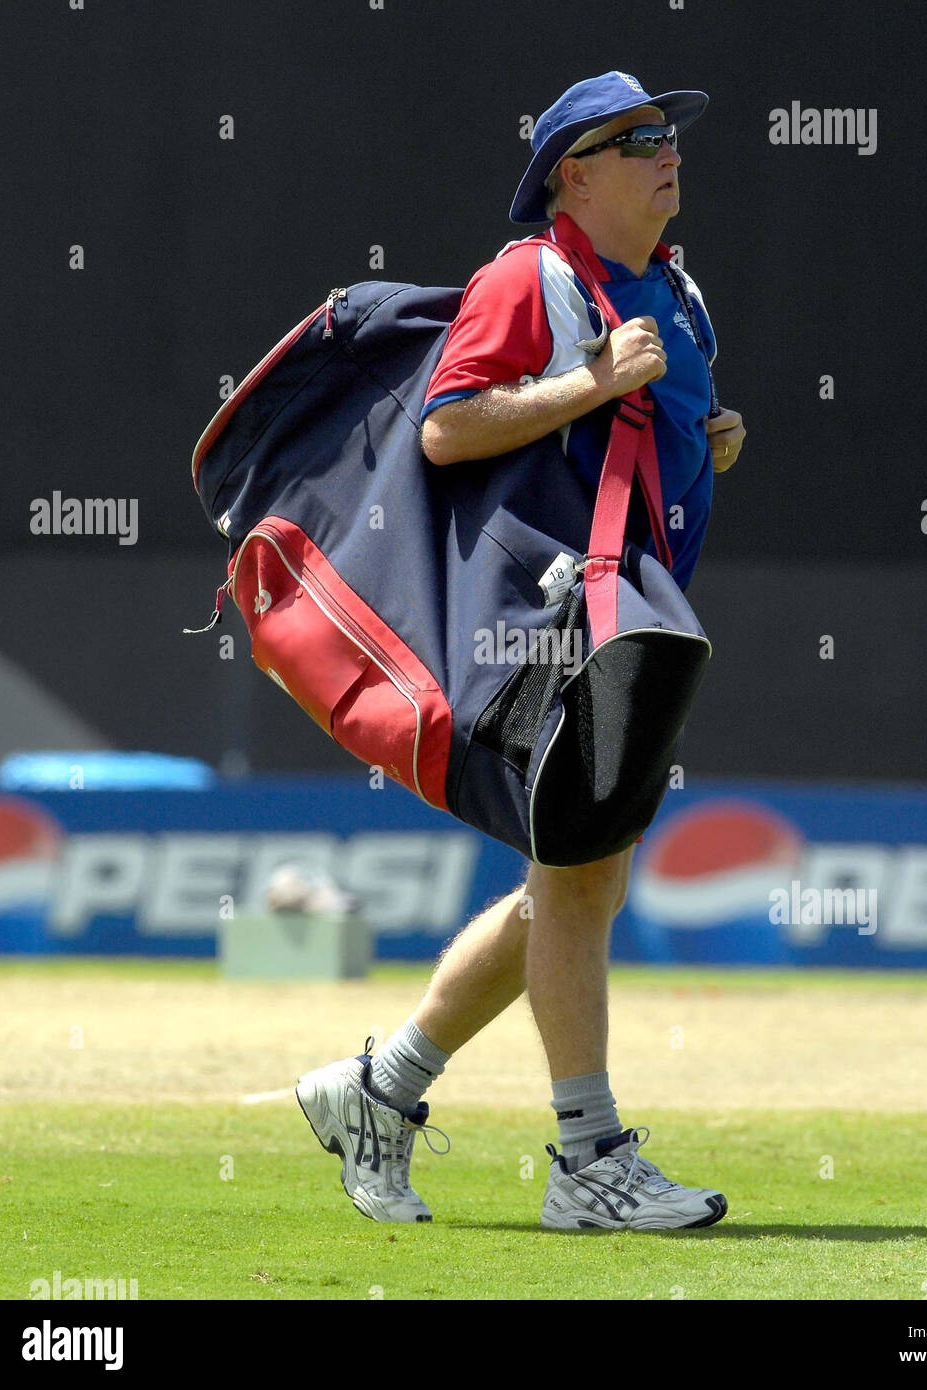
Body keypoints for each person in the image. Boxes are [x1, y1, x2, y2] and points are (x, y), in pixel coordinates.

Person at [296, 71, 746, 1231]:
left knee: (576, 877)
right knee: (578, 874)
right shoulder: (528, 277)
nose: (666, 151)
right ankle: (587, 1159)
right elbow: (447, 427)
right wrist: (584, 381)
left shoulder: (679, 294)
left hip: (618, 614)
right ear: (571, 176)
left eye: (668, 133)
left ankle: (378, 1090)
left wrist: (707, 438)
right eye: (634, 138)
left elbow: (642, 437)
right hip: (545, 617)